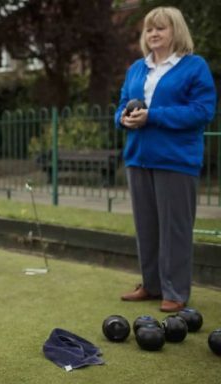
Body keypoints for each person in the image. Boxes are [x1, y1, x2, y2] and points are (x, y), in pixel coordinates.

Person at [115, 7, 216, 312]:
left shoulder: (194, 67)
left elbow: (202, 111)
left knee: (175, 228)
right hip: (138, 158)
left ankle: (176, 291)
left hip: (176, 159)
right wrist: (123, 119)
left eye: (161, 28)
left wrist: (153, 117)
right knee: (146, 226)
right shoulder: (136, 68)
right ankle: (152, 284)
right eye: (149, 29)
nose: (154, 34)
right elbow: (121, 104)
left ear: (176, 32)